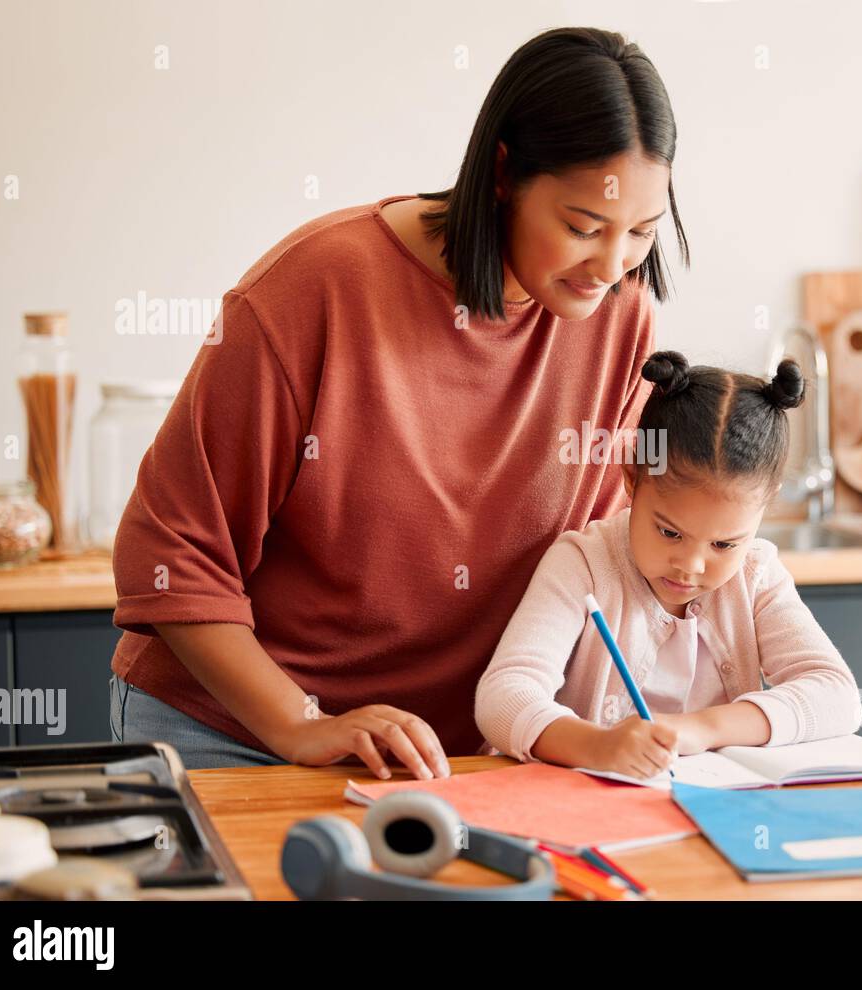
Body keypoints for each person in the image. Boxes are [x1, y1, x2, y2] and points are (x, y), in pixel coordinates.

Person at [108, 27, 690, 773]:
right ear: (505, 173)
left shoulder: (620, 317)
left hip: (441, 756)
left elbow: (601, 549)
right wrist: (300, 724)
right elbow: (170, 552)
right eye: (583, 227)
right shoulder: (315, 289)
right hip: (235, 733)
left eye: (641, 232)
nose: (610, 266)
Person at [475, 351, 862, 779]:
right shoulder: (582, 564)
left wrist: (700, 730)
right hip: (579, 810)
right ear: (632, 478)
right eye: (670, 533)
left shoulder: (756, 575)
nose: (691, 566)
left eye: (723, 543)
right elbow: (503, 697)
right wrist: (597, 746)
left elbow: (837, 694)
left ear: (763, 513)